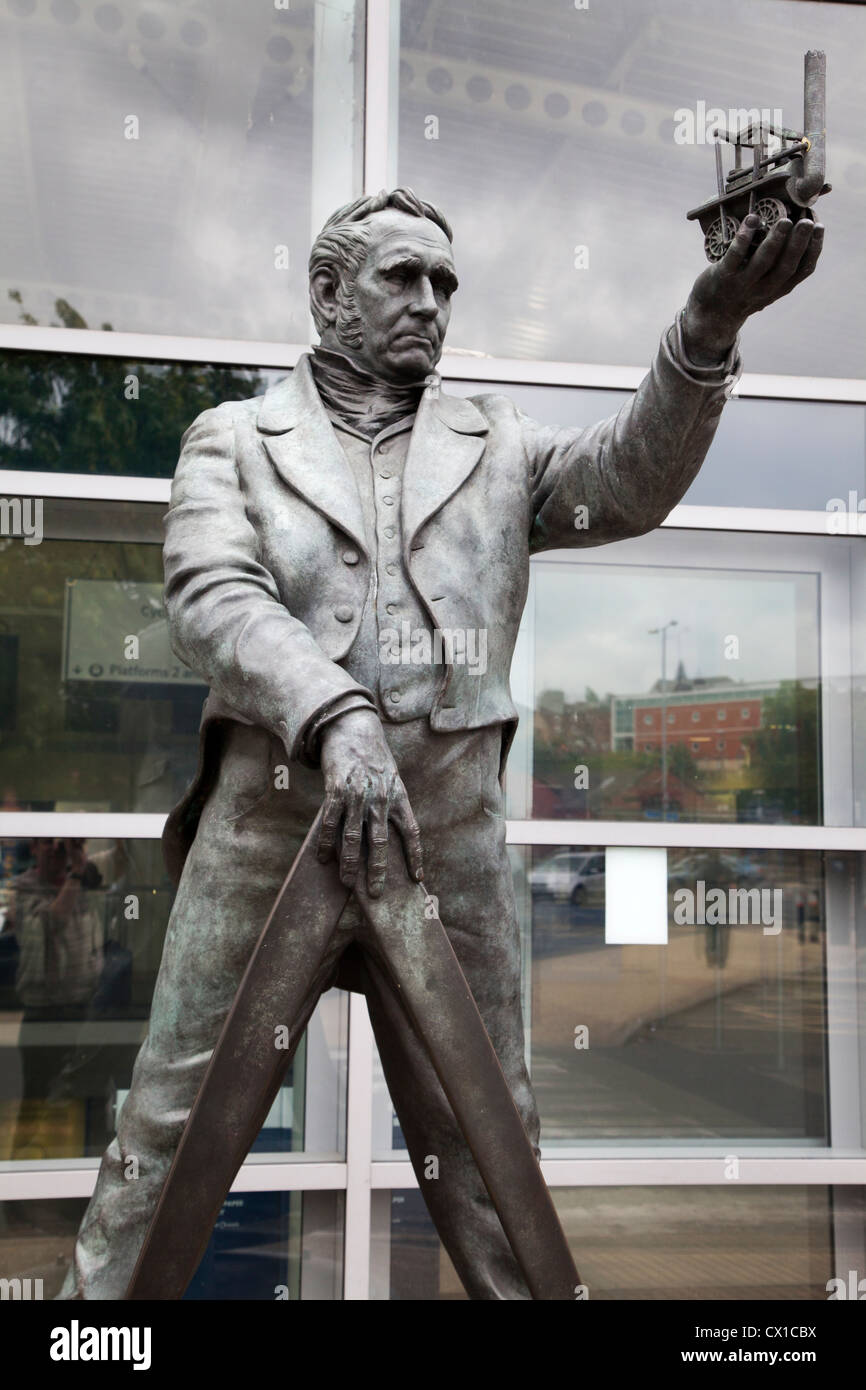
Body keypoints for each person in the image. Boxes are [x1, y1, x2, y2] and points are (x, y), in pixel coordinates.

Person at [62, 187, 822, 1300]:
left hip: (445, 843)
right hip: (273, 830)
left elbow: (627, 481)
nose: (430, 304)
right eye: (401, 279)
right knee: (169, 1128)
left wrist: (704, 331)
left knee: (486, 1144)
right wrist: (334, 709)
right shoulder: (233, 438)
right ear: (327, 293)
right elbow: (211, 591)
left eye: (444, 285)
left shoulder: (499, 445)